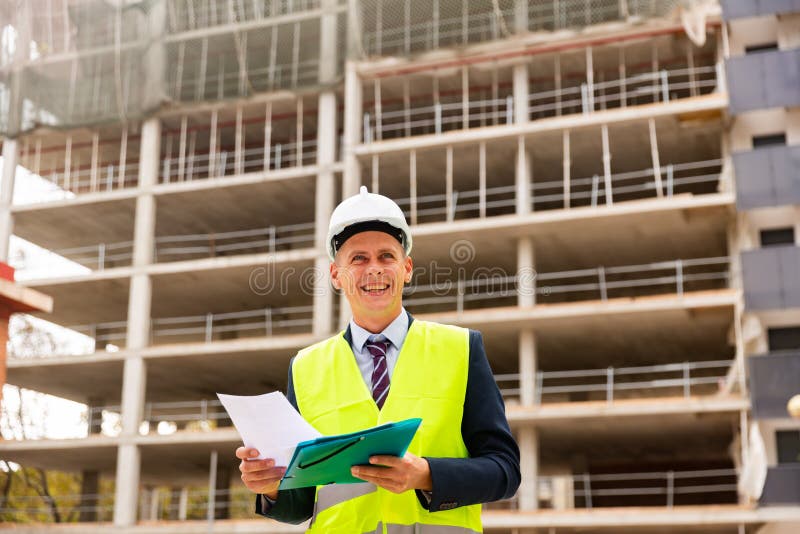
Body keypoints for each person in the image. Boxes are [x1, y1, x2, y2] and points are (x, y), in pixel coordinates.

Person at [236, 187, 520, 533]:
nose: (374, 269)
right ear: (336, 276)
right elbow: (299, 502)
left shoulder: (461, 348)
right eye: (358, 258)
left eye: (387, 256)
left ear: (407, 269)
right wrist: (270, 488)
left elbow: (505, 471)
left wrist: (427, 475)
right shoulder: (306, 367)